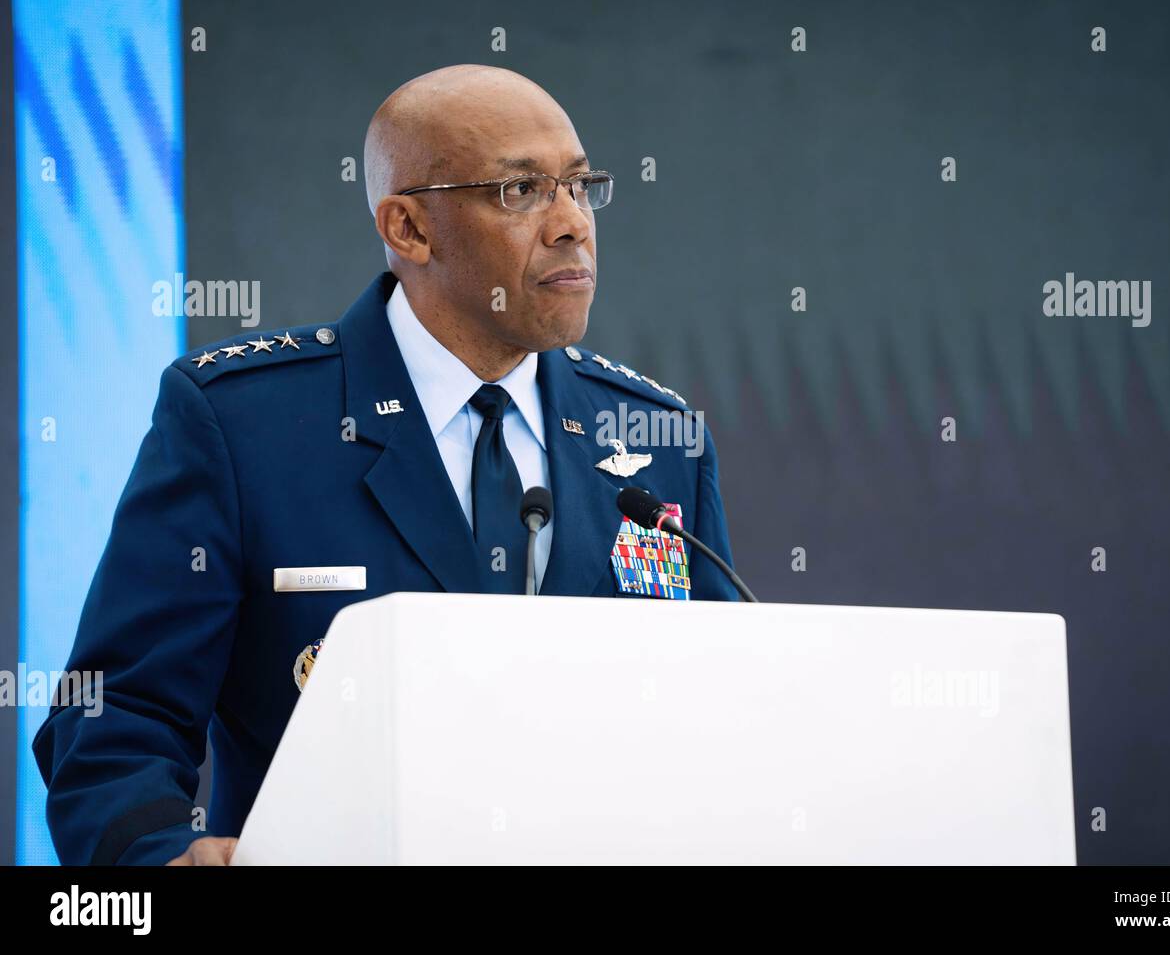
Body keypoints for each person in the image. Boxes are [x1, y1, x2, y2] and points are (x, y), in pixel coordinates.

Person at [33, 64, 738, 866]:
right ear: (408, 229)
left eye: (581, 186)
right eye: (522, 192)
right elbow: (113, 716)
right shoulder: (242, 423)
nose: (572, 223)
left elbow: (719, 716)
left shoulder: (655, 436)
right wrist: (161, 855)